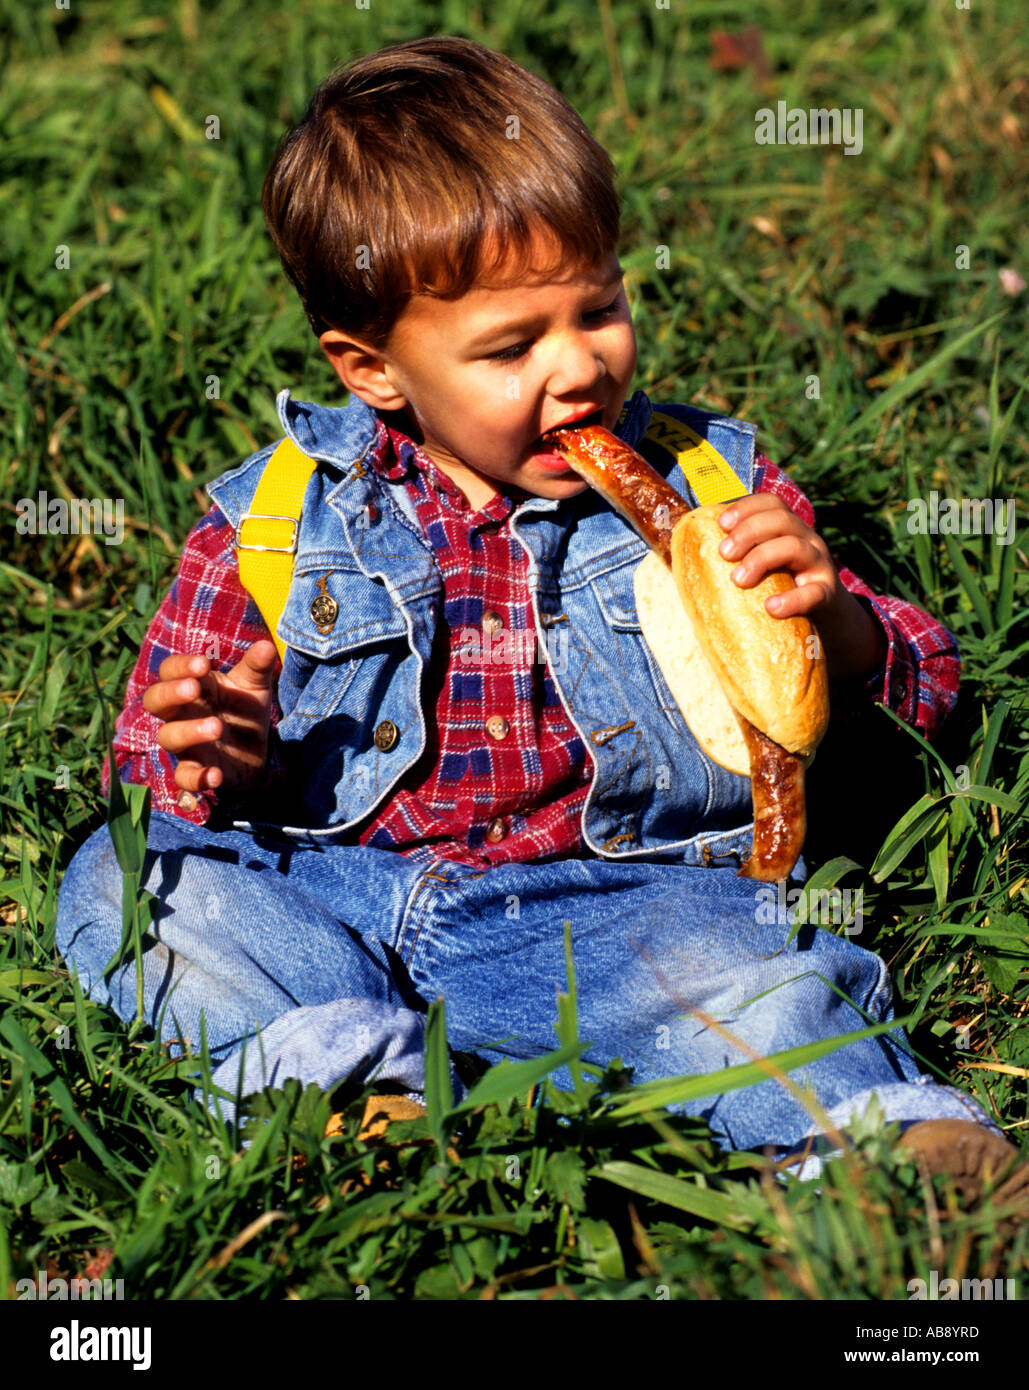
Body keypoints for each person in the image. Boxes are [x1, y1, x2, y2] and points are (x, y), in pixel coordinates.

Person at [56, 36, 1026, 1204]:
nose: (578, 369)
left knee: (746, 969)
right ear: (372, 368)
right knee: (132, 895)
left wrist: (834, 624)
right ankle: (360, 1095)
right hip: (334, 896)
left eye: (599, 308)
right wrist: (212, 748)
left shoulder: (708, 497)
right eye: (512, 346)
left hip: (609, 913)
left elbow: (925, 682)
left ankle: (882, 1149)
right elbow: (157, 775)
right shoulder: (271, 521)